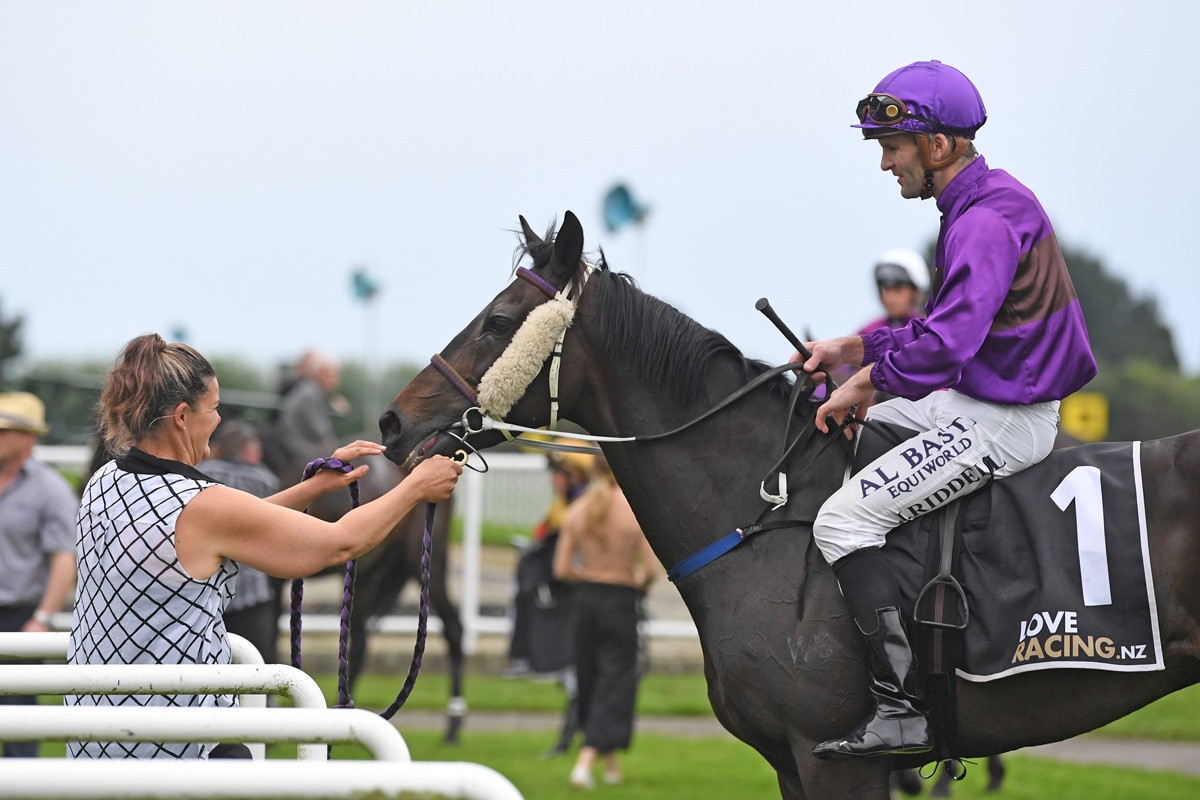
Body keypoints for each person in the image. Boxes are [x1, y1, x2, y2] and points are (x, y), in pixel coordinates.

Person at [793, 60, 1097, 760]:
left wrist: (865, 381)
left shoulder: (983, 222)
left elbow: (947, 347)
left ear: (936, 147)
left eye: (891, 149)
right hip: (978, 399)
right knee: (849, 433)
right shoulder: (976, 204)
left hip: (1004, 420)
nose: (883, 164)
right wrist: (850, 346)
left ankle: (904, 707)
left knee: (843, 520)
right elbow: (938, 328)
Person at [66, 334, 462, 759]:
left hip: (99, 734)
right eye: (213, 409)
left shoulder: (105, 483)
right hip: (180, 742)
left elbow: (228, 527)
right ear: (182, 416)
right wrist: (415, 487)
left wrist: (310, 489)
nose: (218, 421)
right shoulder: (200, 505)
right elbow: (339, 544)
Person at [553, 456, 657, 789]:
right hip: (620, 601)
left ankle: (609, 766)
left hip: (585, 601)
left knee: (590, 678)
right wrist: (633, 581)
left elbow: (562, 569)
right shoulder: (634, 511)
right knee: (615, 681)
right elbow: (651, 572)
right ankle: (584, 763)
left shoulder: (578, 510)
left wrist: (588, 575)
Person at [0, 391, 78, 758]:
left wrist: (42, 618)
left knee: (17, 714)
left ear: (29, 437)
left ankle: (22, 782)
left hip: (20, 615)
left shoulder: (51, 490)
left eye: (5, 430)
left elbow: (65, 557)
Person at [507, 447, 593, 757]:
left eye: (559, 475)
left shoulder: (585, 508)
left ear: (575, 477)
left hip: (585, 599)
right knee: (574, 675)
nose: (553, 481)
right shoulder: (562, 507)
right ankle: (575, 739)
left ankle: (577, 739)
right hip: (566, 598)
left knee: (579, 673)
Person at [196, 419, 282, 663]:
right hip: (251, 592)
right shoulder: (265, 480)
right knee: (259, 672)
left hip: (206, 593)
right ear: (248, 450)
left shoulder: (202, 472)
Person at [262, 351, 347, 480]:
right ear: (319, 375)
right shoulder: (311, 394)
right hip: (295, 445)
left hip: (294, 441)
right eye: (331, 375)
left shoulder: (310, 390)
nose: (334, 380)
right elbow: (318, 429)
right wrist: (334, 444)